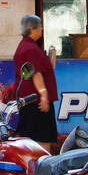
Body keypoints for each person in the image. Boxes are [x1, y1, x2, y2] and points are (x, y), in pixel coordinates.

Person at [13, 14, 59, 149]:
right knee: (42, 139)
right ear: (32, 29)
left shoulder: (26, 46)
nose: (42, 30)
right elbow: (36, 73)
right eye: (40, 27)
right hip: (35, 101)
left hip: (30, 100)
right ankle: (42, 167)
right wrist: (43, 95)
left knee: (28, 138)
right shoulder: (30, 49)